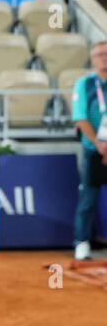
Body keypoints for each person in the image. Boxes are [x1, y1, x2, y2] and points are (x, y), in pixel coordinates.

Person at [71, 39, 107, 260]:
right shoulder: (84, 83)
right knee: (88, 198)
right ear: (92, 59)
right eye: (99, 54)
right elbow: (79, 117)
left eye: (106, 54)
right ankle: (82, 242)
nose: (104, 58)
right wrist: (99, 144)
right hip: (93, 149)